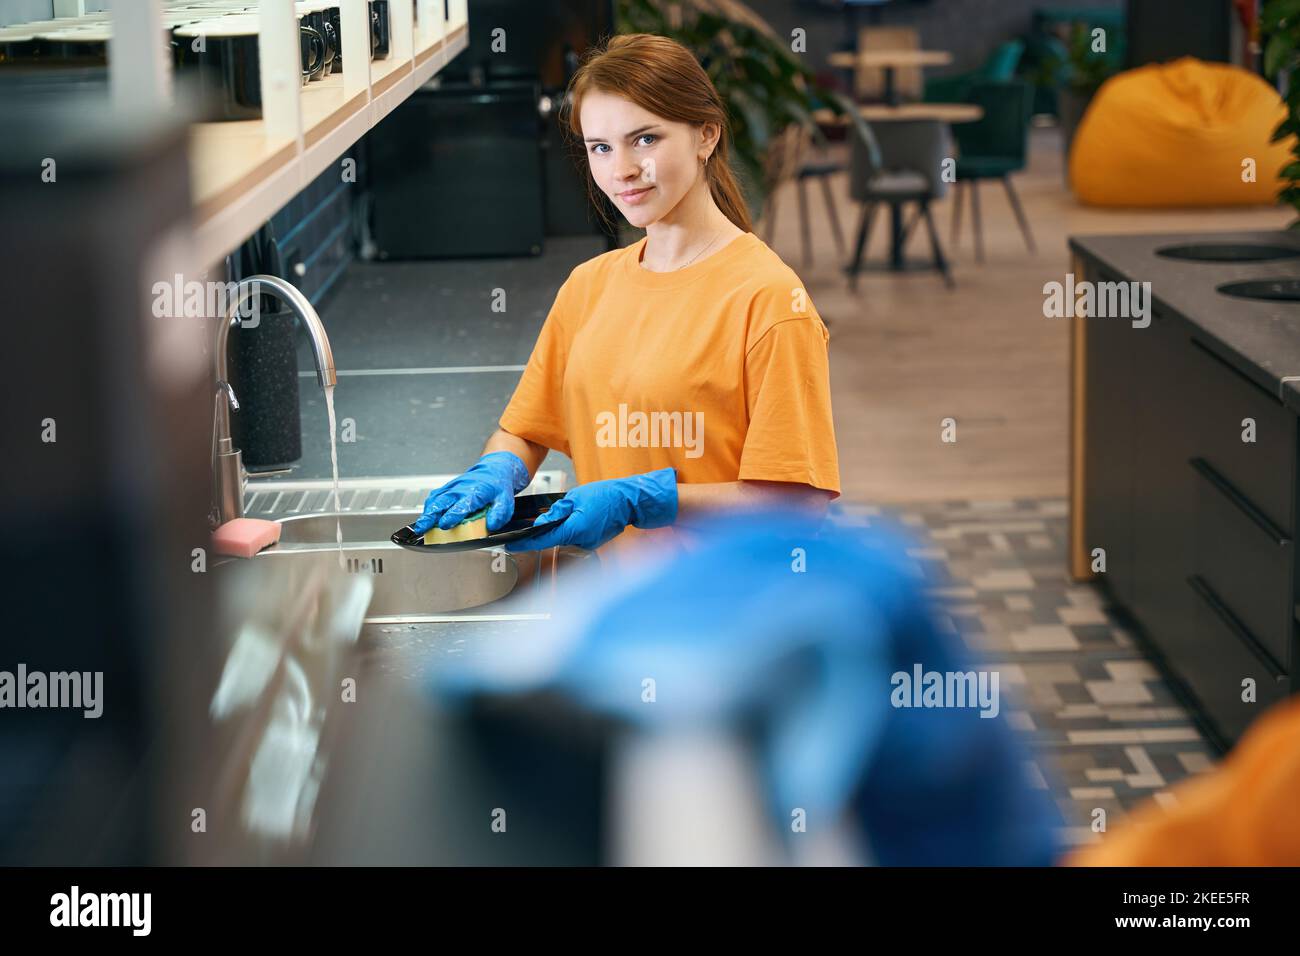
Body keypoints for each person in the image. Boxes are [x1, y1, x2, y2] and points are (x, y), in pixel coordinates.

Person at [411, 33, 841, 568]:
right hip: (624, 601)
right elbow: (524, 429)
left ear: (705, 135)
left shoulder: (770, 301)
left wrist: (641, 500)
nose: (622, 171)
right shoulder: (589, 286)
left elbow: (797, 505)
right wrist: (495, 470)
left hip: (734, 615)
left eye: (645, 140)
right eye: (601, 147)